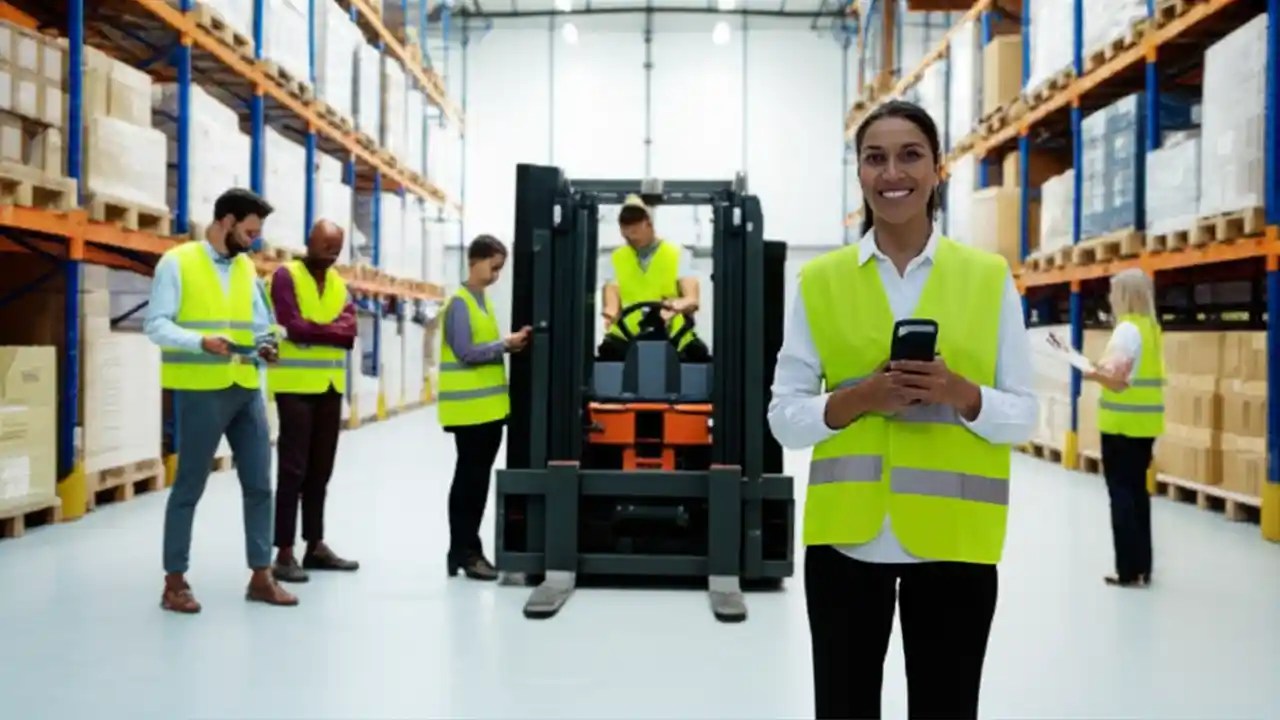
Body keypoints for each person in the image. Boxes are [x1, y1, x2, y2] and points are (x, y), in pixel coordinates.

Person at [766, 100, 1038, 720]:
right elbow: (784, 417)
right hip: (845, 546)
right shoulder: (821, 281)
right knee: (843, 707)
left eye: (910, 155)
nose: (893, 172)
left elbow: (1024, 414)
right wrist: (858, 398)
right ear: (860, 173)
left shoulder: (988, 279)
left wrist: (960, 393)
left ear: (938, 169)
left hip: (956, 546)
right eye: (875, 157)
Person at [145, 187, 298, 613]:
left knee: (259, 485)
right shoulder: (177, 262)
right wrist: (200, 342)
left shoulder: (246, 267)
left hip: (246, 387)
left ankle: (261, 576)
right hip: (201, 390)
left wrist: (269, 343)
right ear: (226, 221)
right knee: (189, 486)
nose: (253, 240)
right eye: (249, 231)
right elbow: (155, 324)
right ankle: (174, 582)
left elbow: (261, 320)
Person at [266, 219, 360, 583]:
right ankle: (284, 552)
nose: (332, 254)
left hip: (329, 386)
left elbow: (349, 331)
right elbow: (292, 325)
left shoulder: (339, 283)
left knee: (321, 471)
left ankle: (315, 544)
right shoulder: (286, 276)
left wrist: (317, 332)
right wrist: (328, 331)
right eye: (325, 246)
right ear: (309, 242)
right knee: (293, 470)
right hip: (295, 386)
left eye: (337, 248)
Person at [438, 235, 531, 581]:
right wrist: (504, 345)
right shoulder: (460, 302)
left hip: (487, 411)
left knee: (474, 484)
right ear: (474, 260)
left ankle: (463, 551)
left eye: (499, 270)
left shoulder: (482, 301)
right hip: (470, 412)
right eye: (493, 267)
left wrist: (507, 343)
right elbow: (466, 351)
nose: (495, 275)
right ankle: (465, 552)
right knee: (469, 484)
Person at [1082, 268, 1164, 588]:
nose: (1110, 299)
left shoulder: (1126, 330)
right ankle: (1143, 566)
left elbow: (1116, 378)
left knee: (1121, 495)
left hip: (1121, 427)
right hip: (1145, 426)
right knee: (1138, 493)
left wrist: (1089, 371)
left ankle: (1127, 570)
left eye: (1114, 293)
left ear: (1125, 296)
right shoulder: (1150, 329)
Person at [598, 194, 710, 363]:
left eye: (635, 229)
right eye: (625, 230)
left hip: (672, 335)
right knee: (606, 355)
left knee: (699, 355)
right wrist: (609, 315)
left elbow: (692, 300)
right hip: (628, 338)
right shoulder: (616, 259)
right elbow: (611, 304)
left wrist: (675, 306)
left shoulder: (677, 254)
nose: (630, 236)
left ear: (648, 224)